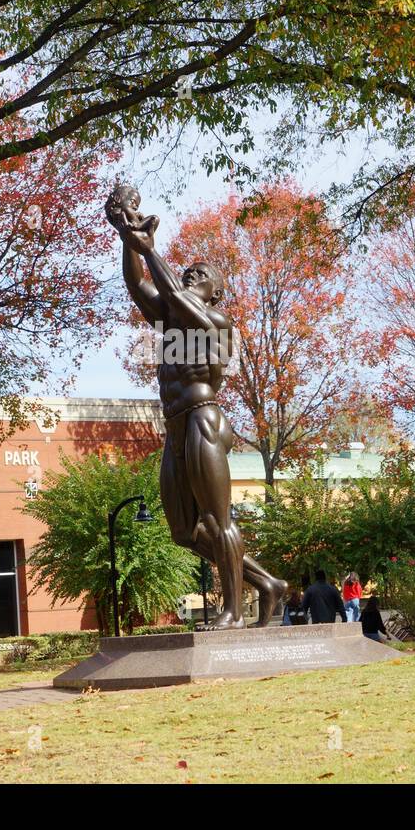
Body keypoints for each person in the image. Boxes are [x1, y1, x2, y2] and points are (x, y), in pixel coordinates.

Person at [110, 184, 287, 628]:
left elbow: (176, 296)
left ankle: (232, 612)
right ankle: (268, 584)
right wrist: (126, 235)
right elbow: (138, 284)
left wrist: (149, 248)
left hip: (204, 419)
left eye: (200, 273)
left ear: (215, 292)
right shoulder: (171, 316)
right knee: (184, 531)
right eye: (186, 270)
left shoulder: (216, 321)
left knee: (216, 515)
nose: (190, 273)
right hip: (174, 426)